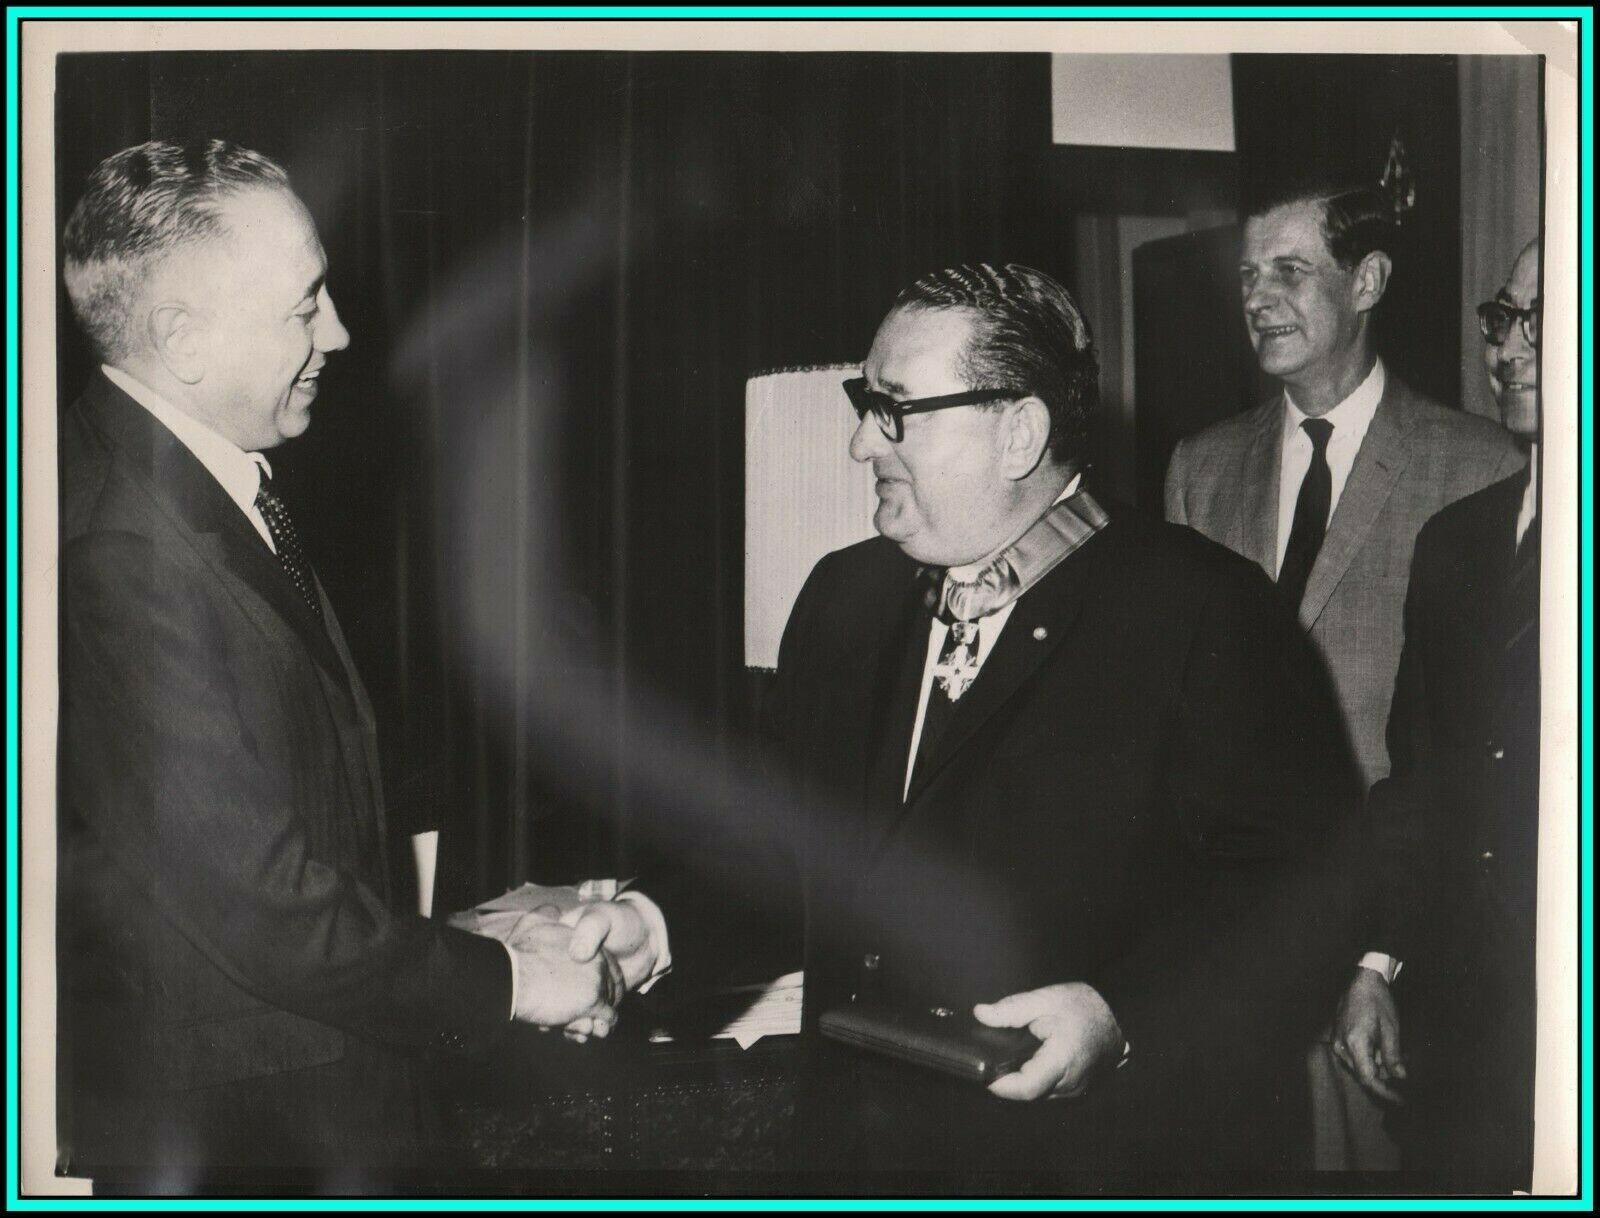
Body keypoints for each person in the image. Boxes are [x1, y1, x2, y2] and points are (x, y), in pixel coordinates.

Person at [561, 263, 1366, 1179]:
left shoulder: (1203, 613)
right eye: (864, 404)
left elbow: (1304, 898)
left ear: (1018, 430)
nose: (864, 444)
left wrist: (1124, 1016)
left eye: (896, 408)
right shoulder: (844, 598)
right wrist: (656, 923)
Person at [56, 140, 619, 1189]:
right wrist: (515, 980)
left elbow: (246, 853)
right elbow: (258, 907)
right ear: (181, 338)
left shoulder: (186, 492)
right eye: (306, 303)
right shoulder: (119, 549)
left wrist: (451, 942)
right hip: (251, 1140)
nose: (342, 333)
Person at [1162, 153, 1524, 1168]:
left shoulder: (1481, 468)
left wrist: (1380, 949)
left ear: (1365, 283)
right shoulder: (1199, 465)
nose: (1258, 298)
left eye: (1289, 270)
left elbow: (1471, 761)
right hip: (1225, 942)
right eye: (1245, 276)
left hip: (1396, 942)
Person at [1337, 238, 1544, 1190]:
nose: (1510, 349)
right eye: (1504, 318)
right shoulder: (1459, 541)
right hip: (1464, 1034)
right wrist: (1376, 963)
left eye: (1545, 320)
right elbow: (1416, 777)